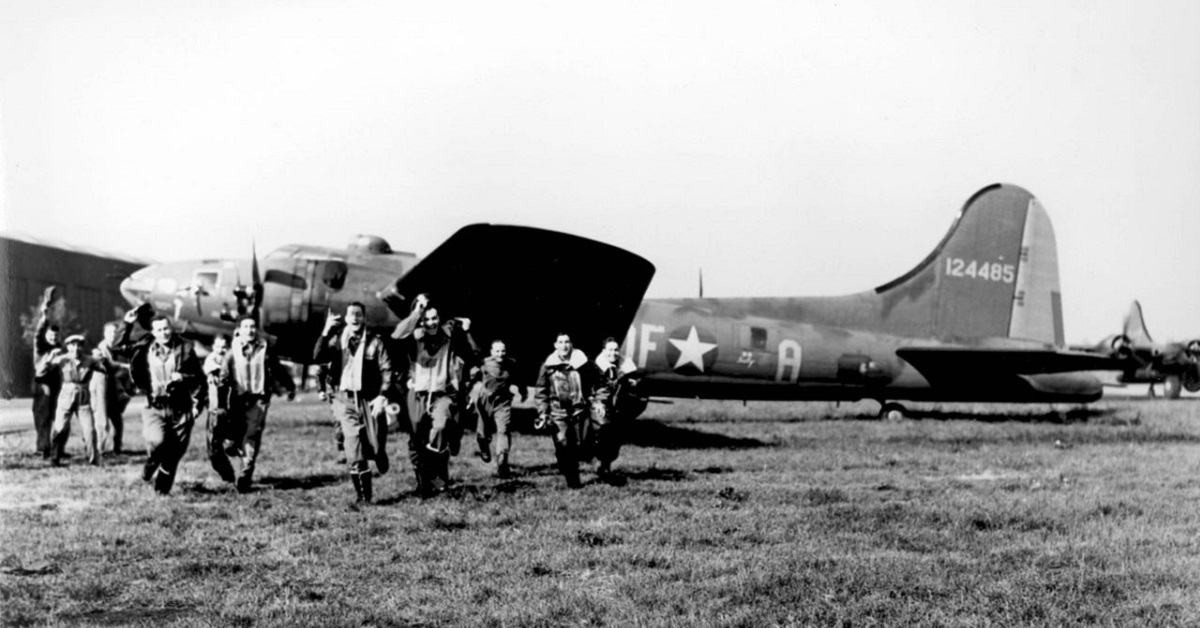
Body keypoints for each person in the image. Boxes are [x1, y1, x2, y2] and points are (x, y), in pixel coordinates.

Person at [392, 294, 478, 497]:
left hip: (443, 394)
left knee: (439, 429)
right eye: (426, 319)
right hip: (418, 395)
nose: (430, 323)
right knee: (417, 440)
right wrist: (416, 313)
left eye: (434, 318)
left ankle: (436, 477)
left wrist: (466, 331)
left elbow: (473, 353)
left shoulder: (449, 334)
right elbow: (397, 335)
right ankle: (425, 484)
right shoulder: (414, 337)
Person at [313, 302, 397, 504]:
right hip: (344, 399)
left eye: (359, 315)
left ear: (364, 319)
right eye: (351, 315)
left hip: (368, 398)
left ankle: (380, 453)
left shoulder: (375, 342)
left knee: (374, 444)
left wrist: (382, 395)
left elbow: (387, 369)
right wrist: (325, 331)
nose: (355, 318)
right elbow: (318, 357)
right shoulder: (336, 340)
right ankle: (363, 496)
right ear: (346, 318)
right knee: (353, 445)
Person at [116, 310, 204, 495]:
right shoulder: (144, 347)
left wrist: (183, 377)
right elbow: (118, 347)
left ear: (171, 329)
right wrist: (127, 324)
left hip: (180, 408)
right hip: (155, 406)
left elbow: (198, 378)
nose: (164, 333)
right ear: (153, 332)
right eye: (159, 330)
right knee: (157, 441)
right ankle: (151, 464)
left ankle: (161, 491)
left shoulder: (185, 348)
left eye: (166, 329)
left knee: (174, 453)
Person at [206, 318, 295, 492]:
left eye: (253, 327)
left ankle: (245, 475)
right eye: (246, 327)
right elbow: (223, 381)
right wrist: (223, 406)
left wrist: (289, 386)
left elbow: (277, 369)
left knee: (251, 435)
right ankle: (237, 452)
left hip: (258, 400)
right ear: (239, 329)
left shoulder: (265, 350)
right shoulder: (231, 353)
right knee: (231, 442)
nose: (250, 330)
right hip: (237, 401)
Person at [535, 332, 591, 488]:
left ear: (571, 344)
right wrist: (543, 412)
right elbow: (541, 390)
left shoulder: (582, 363)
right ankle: (573, 481)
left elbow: (592, 383)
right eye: (560, 342)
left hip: (578, 411)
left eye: (567, 342)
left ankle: (564, 461)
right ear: (555, 345)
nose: (564, 345)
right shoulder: (548, 366)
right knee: (564, 444)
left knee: (579, 446)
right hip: (557, 412)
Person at [44, 335, 108, 466]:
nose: (76, 348)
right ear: (67, 347)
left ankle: (92, 459)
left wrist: (102, 360)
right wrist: (49, 360)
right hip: (66, 397)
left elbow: (105, 369)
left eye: (79, 345)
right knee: (60, 428)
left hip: (83, 398)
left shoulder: (89, 360)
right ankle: (54, 458)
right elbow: (44, 373)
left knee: (89, 429)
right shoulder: (61, 360)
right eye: (72, 345)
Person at [469, 339, 527, 478]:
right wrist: (466, 394)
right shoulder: (483, 363)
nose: (500, 354)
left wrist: (522, 391)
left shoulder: (511, 364)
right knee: (482, 433)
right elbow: (470, 378)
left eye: (503, 351)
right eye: (497, 351)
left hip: (503, 401)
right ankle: (483, 446)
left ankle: (502, 464)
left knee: (504, 430)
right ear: (491, 352)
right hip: (485, 401)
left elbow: (518, 378)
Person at [588, 337, 638, 479]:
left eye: (616, 350)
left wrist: (631, 384)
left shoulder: (625, 369)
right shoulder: (596, 368)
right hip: (599, 405)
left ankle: (606, 467)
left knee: (615, 438)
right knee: (603, 431)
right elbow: (589, 388)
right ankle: (595, 461)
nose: (613, 353)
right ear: (604, 351)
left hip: (618, 408)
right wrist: (596, 402)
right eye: (610, 350)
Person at [94, 321, 135, 455]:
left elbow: (125, 340)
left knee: (117, 420)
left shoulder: (115, 348)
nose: (112, 336)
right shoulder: (100, 349)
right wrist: (125, 367)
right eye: (110, 333)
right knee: (102, 419)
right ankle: (100, 449)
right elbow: (107, 364)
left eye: (115, 333)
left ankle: (116, 448)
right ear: (104, 334)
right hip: (101, 388)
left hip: (113, 388)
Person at [31, 286, 61, 458]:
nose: (53, 339)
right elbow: (39, 331)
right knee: (42, 416)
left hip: (55, 384)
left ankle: (55, 448)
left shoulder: (58, 346)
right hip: (42, 385)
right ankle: (43, 448)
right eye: (51, 336)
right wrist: (45, 308)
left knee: (55, 415)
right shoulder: (40, 345)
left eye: (56, 337)